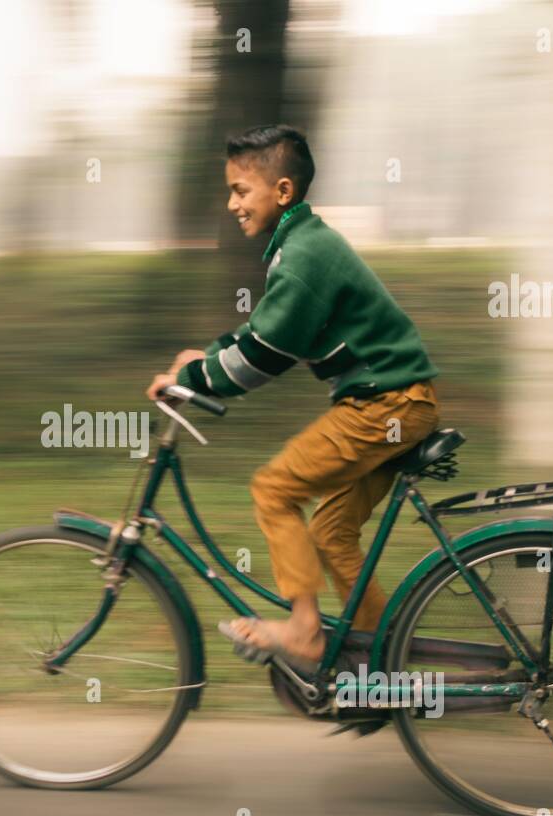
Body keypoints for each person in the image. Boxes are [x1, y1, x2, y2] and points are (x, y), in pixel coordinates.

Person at [146, 124, 441, 676]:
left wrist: (200, 377)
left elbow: (264, 354)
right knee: (330, 532)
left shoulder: (304, 256)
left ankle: (306, 633)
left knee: (274, 489)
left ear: (282, 191)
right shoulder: (301, 246)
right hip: (398, 402)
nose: (231, 203)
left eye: (240, 190)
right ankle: (384, 662)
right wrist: (203, 359)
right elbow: (264, 332)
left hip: (386, 405)